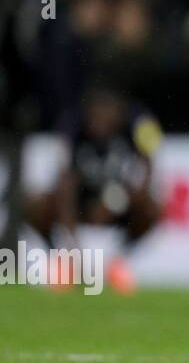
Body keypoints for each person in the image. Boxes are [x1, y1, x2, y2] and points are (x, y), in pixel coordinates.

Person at [27, 86, 163, 294]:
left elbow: (148, 170)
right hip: (81, 198)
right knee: (34, 204)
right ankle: (63, 262)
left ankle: (116, 262)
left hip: (118, 197)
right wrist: (73, 247)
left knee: (154, 209)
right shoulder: (73, 125)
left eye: (105, 117)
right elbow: (66, 183)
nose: (99, 124)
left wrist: (119, 199)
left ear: (118, 114)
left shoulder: (138, 123)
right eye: (95, 117)